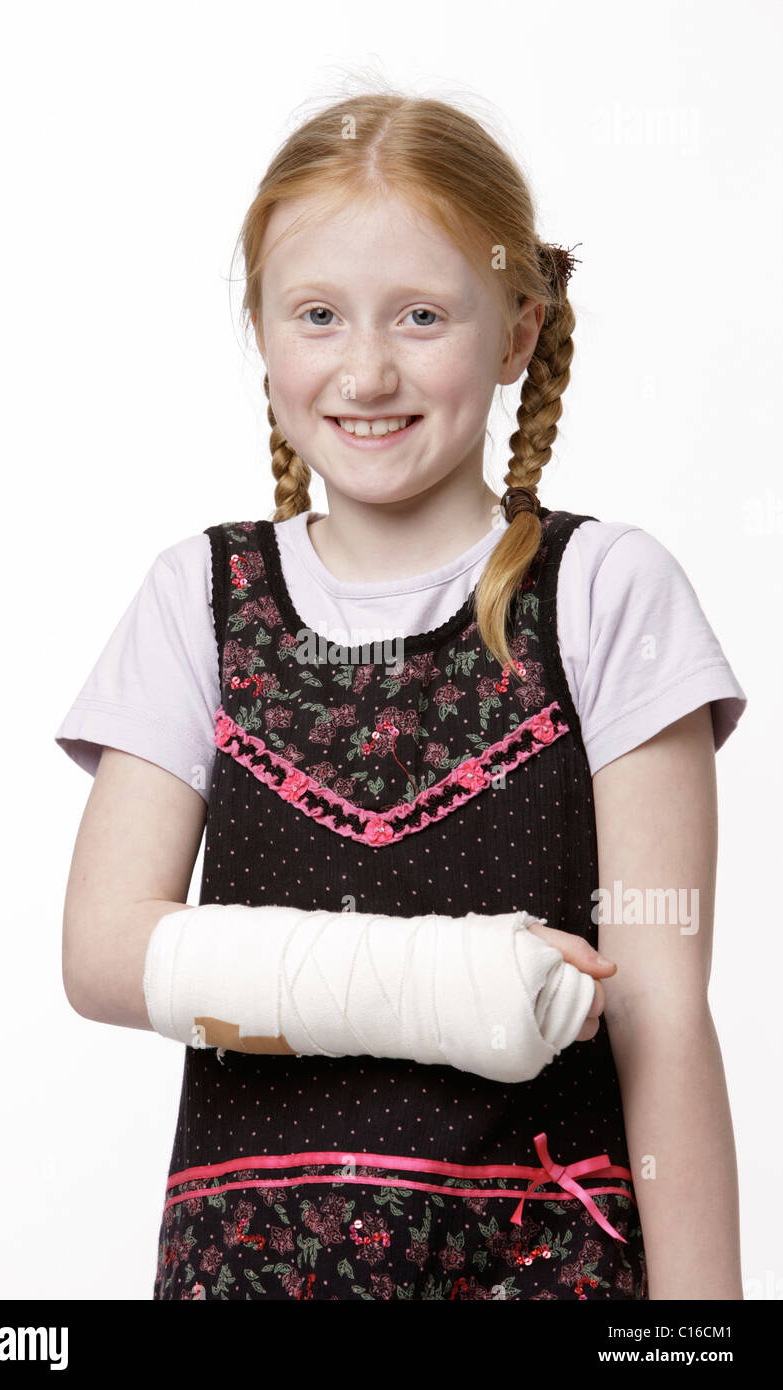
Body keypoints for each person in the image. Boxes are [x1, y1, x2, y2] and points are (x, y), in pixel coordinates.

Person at [56, 90, 747, 1301]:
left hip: (545, 1270)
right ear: (263, 334)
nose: (366, 369)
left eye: (422, 316)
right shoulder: (199, 600)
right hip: (245, 1274)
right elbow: (106, 951)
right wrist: (462, 986)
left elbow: (661, 1014)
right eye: (317, 315)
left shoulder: (604, 592)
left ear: (518, 327)